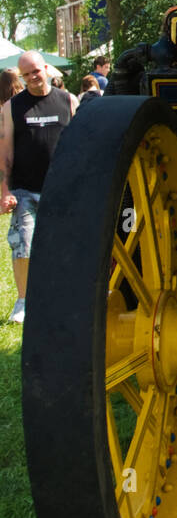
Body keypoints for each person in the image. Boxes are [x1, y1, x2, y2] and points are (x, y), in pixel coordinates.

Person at [0, 51, 77, 324]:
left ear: (46, 68)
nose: (33, 77)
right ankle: (23, 301)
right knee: (23, 246)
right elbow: (5, 151)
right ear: (21, 77)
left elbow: (80, 146)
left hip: (62, 189)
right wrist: (5, 191)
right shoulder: (11, 107)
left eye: (36, 71)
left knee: (65, 246)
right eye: (27, 74)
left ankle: (65, 297)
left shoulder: (68, 101)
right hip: (24, 189)